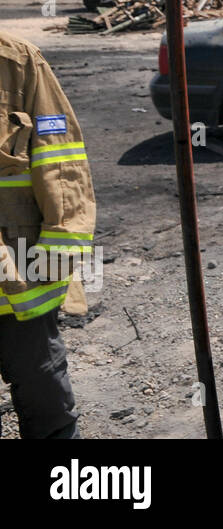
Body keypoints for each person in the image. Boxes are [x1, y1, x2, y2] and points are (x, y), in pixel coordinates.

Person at [0, 30, 94, 439]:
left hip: (19, 276)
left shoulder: (17, 60)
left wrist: (56, 257)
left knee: (46, 398)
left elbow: (61, 161)